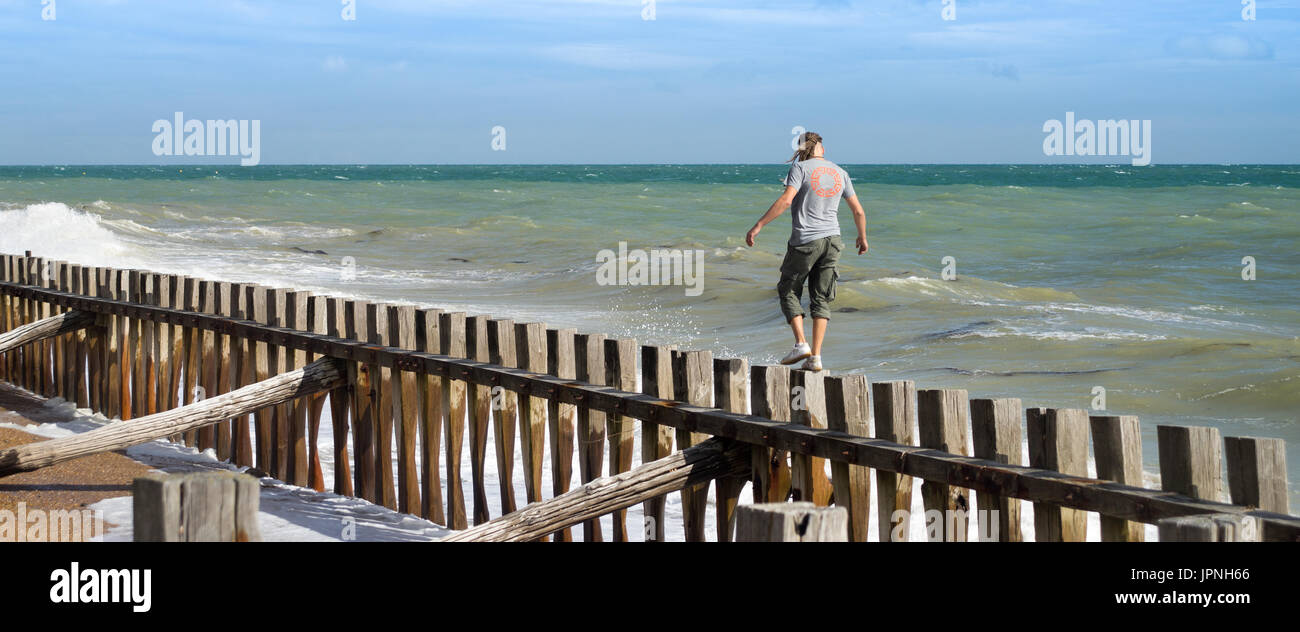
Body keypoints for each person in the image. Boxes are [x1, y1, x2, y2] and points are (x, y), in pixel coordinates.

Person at [745, 131, 867, 371]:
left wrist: (758, 225)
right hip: (833, 240)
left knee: (788, 289)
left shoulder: (800, 169)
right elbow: (858, 211)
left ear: (802, 150)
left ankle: (801, 343)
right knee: (821, 298)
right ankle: (816, 357)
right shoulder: (841, 172)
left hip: (806, 241)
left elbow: (786, 200)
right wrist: (862, 237)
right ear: (821, 148)